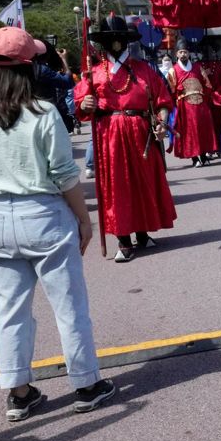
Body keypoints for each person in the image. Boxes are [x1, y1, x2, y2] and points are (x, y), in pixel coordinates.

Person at [0, 26, 115, 422]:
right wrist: (84, 220)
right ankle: (86, 383)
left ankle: (18, 391)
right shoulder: (43, 113)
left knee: (10, 307)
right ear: (31, 67)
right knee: (69, 305)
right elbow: (63, 174)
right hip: (43, 212)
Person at [74, 15, 177, 264]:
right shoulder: (93, 73)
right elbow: (80, 106)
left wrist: (162, 122)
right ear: (103, 44)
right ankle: (123, 238)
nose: (116, 43)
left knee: (143, 182)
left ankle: (142, 233)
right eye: (111, 40)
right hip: (110, 132)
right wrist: (84, 103)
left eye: (121, 38)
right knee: (118, 184)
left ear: (128, 41)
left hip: (141, 130)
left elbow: (163, 100)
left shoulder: (143, 70)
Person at [167, 42, 219, 166]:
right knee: (190, 131)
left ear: (189, 53)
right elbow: (170, 90)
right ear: (176, 54)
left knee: (203, 128)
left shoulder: (198, 67)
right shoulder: (173, 70)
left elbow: (207, 84)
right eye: (180, 52)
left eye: (185, 52)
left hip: (200, 103)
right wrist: (177, 92)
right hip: (185, 105)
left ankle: (204, 154)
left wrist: (204, 97)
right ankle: (194, 157)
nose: (183, 54)